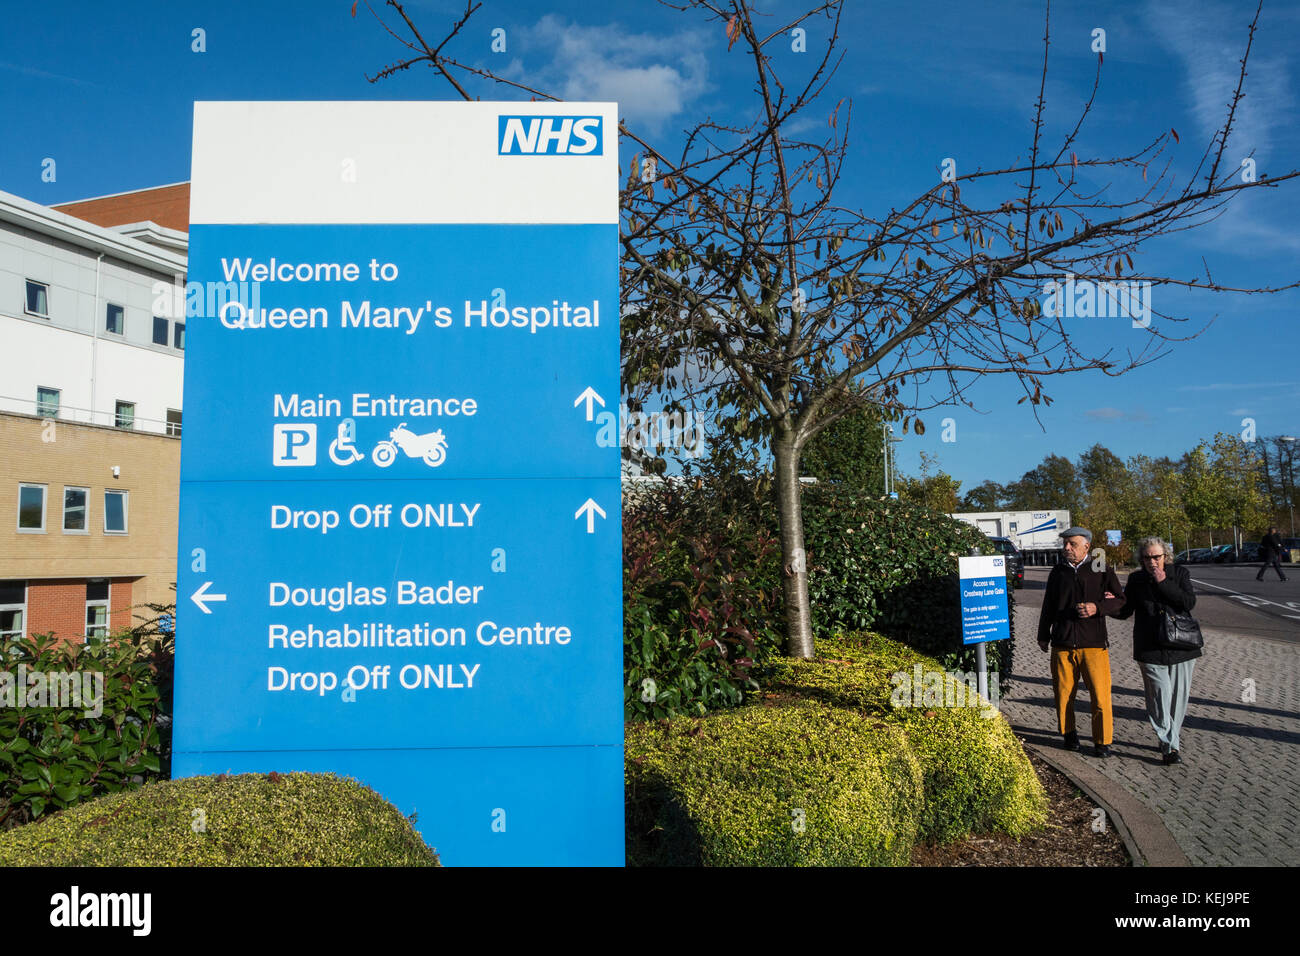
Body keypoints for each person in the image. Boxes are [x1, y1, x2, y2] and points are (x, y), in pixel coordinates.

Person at [1036, 527, 1126, 757]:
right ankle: (1069, 734)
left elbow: (1120, 601)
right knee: (1064, 694)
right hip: (1063, 643)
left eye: (1072, 544)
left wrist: (1098, 608)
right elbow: (1049, 604)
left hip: (1093, 643)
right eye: (1065, 544)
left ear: (1087, 546)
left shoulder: (1099, 567)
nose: (1066, 548)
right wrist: (1043, 634)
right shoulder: (1058, 571)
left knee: (1100, 695)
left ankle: (1102, 741)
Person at [1115, 537, 1201, 765]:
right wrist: (1107, 604)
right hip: (1149, 647)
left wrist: (1164, 583)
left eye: (1156, 557)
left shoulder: (1179, 574)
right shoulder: (1136, 579)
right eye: (1147, 558)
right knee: (1159, 696)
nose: (1152, 562)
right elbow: (1125, 611)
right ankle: (1170, 746)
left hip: (1181, 645)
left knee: (1177, 699)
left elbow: (1188, 603)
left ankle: (1169, 740)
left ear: (1165, 556)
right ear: (1141, 559)